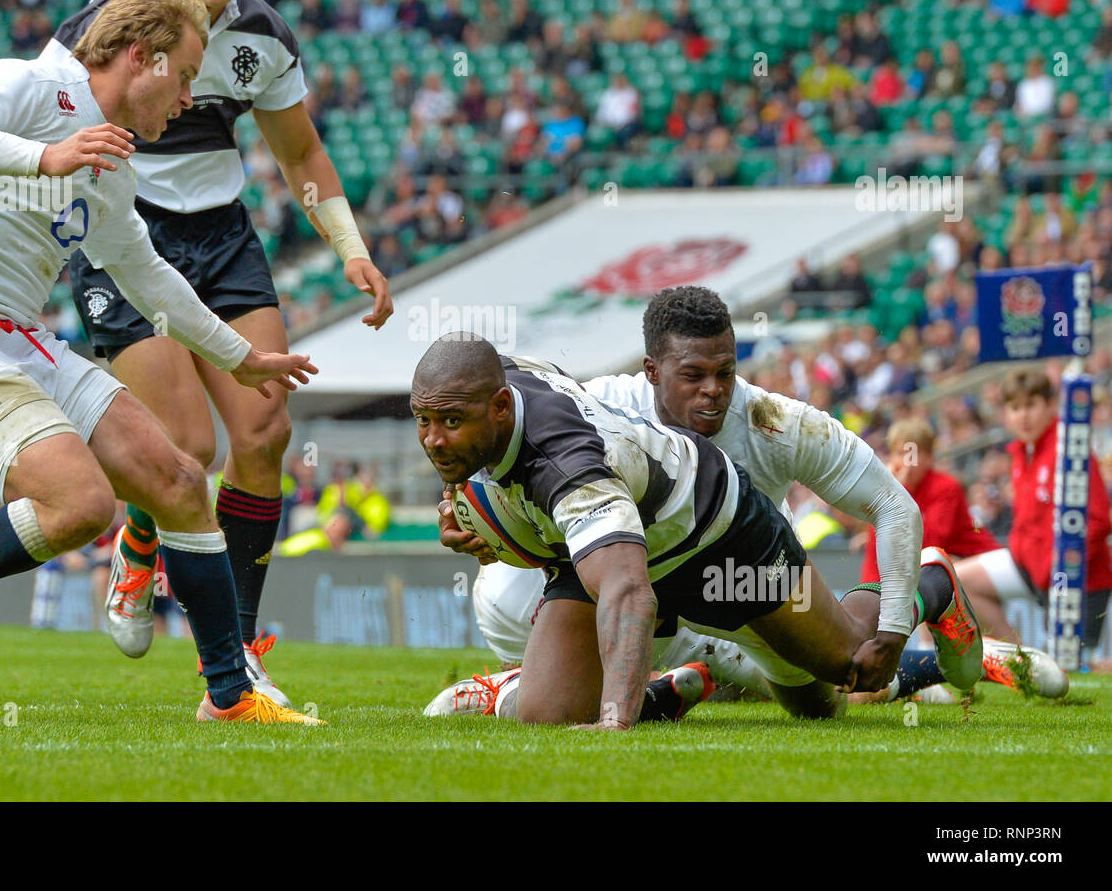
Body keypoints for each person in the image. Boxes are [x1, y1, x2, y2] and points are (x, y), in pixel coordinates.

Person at [0, 0, 321, 725]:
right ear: (142, 56)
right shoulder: (26, 85)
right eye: (185, 76)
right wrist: (44, 158)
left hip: (20, 338)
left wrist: (241, 357)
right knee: (81, 503)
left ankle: (230, 695)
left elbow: (148, 277)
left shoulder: (112, 165)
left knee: (175, 475)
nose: (190, 99)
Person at [45, 0, 393, 705]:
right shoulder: (112, 21)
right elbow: (45, 118)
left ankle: (237, 647)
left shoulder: (263, 36)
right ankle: (138, 541)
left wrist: (351, 249)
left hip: (222, 235)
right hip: (126, 235)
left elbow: (301, 153)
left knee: (267, 429)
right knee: (187, 449)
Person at [424, 288, 983, 720]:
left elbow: (894, 506)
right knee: (537, 668)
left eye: (725, 372)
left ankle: (930, 587)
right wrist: (468, 516)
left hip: (736, 564)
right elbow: (503, 430)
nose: (713, 390)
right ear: (652, 371)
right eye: (693, 376)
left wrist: (891, 628)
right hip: (639, 564)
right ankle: (535, 686)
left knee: (833, 692)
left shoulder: (780, 424)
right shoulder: (605, 406)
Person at [856, 418, 1067, 698]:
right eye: (898, 453)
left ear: (930, 457)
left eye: (914, 454)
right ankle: (1017, 666)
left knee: (927, 583)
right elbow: (878, 551)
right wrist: (873, 596)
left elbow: (930, 542)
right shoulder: (883, 487)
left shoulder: (945, 487)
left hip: (977, 563)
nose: (906, 461)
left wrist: (898, 493)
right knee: (989, 631)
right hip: (953, 570)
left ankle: (939, 680)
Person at [956, 369, 1112, 659]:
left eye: (1031, 405)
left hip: (1079, 580)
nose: (1023, 416)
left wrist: (1062, 563)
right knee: (956, 581)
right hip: (1031, 568)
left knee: (1075, 671)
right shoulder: (1020, 452)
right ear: (1005, 414)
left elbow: (1100, 520)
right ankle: (1020, 660)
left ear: (1051, 406)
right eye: (1015, 408)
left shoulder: (1070, 449)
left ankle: (1040, 664)